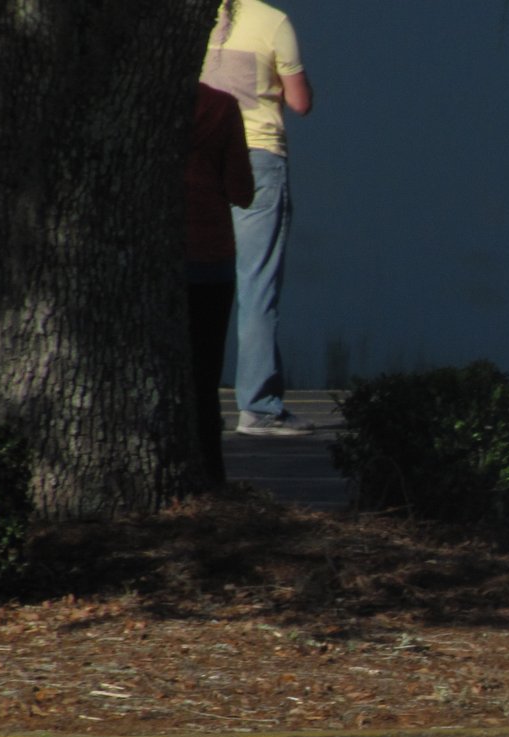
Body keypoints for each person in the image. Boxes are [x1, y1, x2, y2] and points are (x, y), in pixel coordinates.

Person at [200, 0, 315, 436]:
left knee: (195, 279)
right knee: (257, 284)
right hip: (257, 156)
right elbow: (300, 101)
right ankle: (259, 409)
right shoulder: (273, 22)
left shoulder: (194, 24)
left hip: (200, 159)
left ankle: (190, 401)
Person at [185, 83, 254, 482]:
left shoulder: (137, 104)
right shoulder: (220, 106)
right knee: (205, 374)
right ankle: (210, 472)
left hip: (155, 252)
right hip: (210, 255)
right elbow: (241, 191)